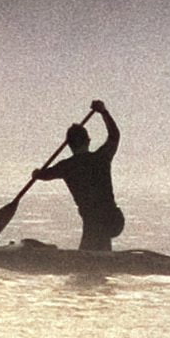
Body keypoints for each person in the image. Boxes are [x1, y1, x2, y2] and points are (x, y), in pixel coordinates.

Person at [33, 99, 124, 251]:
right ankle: (103, 258)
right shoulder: (102, 157)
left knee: (93, 228)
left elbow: (44, 175)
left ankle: (96, 261)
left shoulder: (66, 166)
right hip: (114, 220)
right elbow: (114, 135)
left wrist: (36, 174)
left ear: (69, 145)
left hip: (95, 222)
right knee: (97, 232)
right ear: (88, 141)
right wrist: (104, 112)